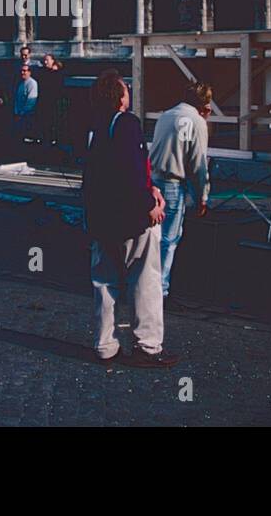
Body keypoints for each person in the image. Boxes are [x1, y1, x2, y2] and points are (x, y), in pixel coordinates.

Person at [81, 70, 179, 368]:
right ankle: (147, 346)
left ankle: (105, 345)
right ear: (119, 97)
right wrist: (149, 201)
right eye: (125, 89)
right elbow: (131, 168)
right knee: (144, 280)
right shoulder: (127, 123)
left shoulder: (96, 127)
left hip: (101, 217)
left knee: (105, 282)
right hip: (130, 218)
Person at [148, 81, 212, 300]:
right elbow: (198, 164)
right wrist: (201, 196)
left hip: (154, 178)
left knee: (153, 235)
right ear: (206, 105)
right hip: (174, 182)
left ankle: (145, 282)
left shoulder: (166, 115)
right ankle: (160, 289)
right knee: (169, 239)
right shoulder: (197, 121)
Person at [12, 63, 39, 145]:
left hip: (28, 115)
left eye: (25, 71)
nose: (22, 73)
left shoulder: (32, 83)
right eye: (21, 71)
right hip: (19, 114)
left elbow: (31, 100)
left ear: (29, 72)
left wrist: (24, 112)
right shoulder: (21, 84)